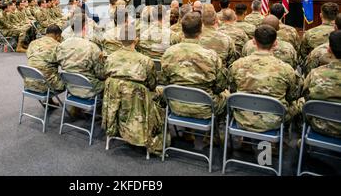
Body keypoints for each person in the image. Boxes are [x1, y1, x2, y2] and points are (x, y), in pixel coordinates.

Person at [102, 25, 167, 154]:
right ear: (136, 40)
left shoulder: (110, 58)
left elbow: (105, 76)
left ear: (120, 39)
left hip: (115, 104)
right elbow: (152, 85)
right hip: (139, 107)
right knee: (162, 93)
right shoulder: (145, 61)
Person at [229, 25, 300, 132]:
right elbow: (291, 96)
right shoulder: (286, 70)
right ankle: (284, 139)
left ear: (253, 41)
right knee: (300, 102)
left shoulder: (237, 65)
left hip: (243, 116)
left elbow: (233, 89)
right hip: (275, 119)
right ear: (275, 43)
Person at [161, 12, 229, 122]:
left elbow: (164, 80)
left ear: (182, 30)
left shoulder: (169, 53)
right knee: (227, 96)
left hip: (175, 104)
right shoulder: (211, 56)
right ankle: (215, 137)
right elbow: (220, 86)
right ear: (201, 29)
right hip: (206, 107)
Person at [300, 30, 341, 138]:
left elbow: (304, 95)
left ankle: (302, 139)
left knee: (300, 102)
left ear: (329, 50)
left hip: (319, 125)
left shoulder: (315, 74)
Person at [56, 11, 106, 98]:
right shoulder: (92, 47)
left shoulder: (61, 46)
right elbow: (101, 74)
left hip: (70, 85)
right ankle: (100, 107)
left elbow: (60, 63)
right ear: (85, 27)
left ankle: (76, 107)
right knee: (111, 81)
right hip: (90, 88)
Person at [26, 24, 64, 93]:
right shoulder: (57, 46)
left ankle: (49, 102)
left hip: (29, 82)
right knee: (71, 82)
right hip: (46, 84)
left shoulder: (33, 43)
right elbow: (64, 65)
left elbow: (29, 57)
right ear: (58, 35)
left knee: (47, 69)